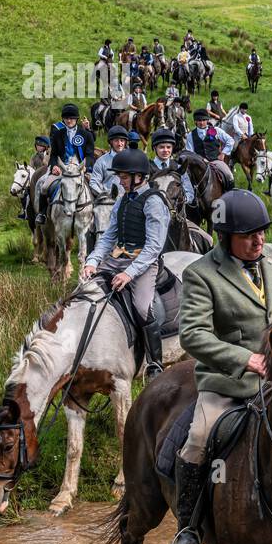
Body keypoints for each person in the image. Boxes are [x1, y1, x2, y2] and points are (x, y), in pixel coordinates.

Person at [170, 189, 272, 544]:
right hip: (231, 384)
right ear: (225, 237)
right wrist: (247, 359)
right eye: (249, 235)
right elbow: (193, 334)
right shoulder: (201, 274)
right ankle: (188, 528)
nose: (259, 240)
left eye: (263, 232)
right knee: (199, 438)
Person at [81, 148, 171, 380]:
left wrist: (129, 274)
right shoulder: (122, 200)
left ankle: (155, 364)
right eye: (119, 177)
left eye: (123, 177)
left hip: (144, 263)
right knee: (84, 293)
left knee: (142, 308)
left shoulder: (154, 202)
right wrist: (92, 261)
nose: (119, 181)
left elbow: (154, 247)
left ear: (138, 177)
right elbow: (109, 237)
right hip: (116, 259)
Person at [33, 103, 96, 225]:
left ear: (76, 119)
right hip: (62, 169)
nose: (69, 120)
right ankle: (42, 213)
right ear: (63, 119)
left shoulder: (86, 135)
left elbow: (90, 156)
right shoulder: (58, 134)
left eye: (72, 118)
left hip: (80, 169)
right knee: (45, 186)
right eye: (67, 118)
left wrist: (84, 167)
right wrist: (54, 166)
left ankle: (96, 215)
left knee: (96, 188)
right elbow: (54, 155)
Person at [151, 128, 194, 205]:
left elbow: (190, 193)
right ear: (154, 148)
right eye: (161, 147)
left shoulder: (178, 167)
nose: (165, 150)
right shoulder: (148, 167)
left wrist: (180, 200)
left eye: (168, 147)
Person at [89, 125, 131, 197]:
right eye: (116, 140)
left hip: (129, 200)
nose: (119, 144)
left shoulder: (132, 160)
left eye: (122, 140)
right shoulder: (101, 161)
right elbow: (94, 183)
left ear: (125, 142)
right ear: (111, 142)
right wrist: (103, 196)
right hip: (108, 201)